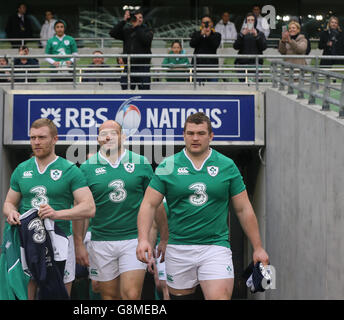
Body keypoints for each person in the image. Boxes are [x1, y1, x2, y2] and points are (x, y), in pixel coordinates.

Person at [136, 112, 269, 300]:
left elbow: (243, 209)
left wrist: (258, 247)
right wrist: (143, 239)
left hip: (215, 247)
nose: (195, 138)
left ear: (211, 136)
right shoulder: (168, 165)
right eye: (190, 133)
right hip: (179, 248)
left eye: (200, 133)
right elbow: (149, 204)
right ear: (183, 135)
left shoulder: (227, 166)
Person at [3, 118, 96, 299]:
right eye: (33, 138)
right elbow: (8, 203)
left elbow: (89, 207)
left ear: (55, 139)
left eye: (42, 137)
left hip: (61, 238)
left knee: (60, 292)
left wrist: (57, 214)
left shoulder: (70, 170)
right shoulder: (22, 169)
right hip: (29, 239)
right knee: (28, 287)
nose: (36, 142)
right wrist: (11, 212)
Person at [74, 120, 167, 300]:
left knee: (131, 295)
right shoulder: (86, 168)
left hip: (133, 239)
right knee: (109, 296)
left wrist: (164, 237)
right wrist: (79, 244)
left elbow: (156, 204)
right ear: (98, 139)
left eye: (113, 133)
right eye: (103, 134)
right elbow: (81, 210)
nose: (108, 137)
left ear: (123, 137)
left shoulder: (141, 163)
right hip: (101, 240)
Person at [109, 9, 154, 90]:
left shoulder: (148, 30)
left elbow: (146, 40)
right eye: (136, 18)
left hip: (143, 67)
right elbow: (112, 33)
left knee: (144, 90)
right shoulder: (128, 31)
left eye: (140, 17)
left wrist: (137, 27)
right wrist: (124, 20)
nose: (138, 20)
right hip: (129, 66)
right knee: (125, 87)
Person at [233, 13, 267, 82]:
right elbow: (236, 46)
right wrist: (242, 35)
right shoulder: (241, 33)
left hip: (256, 64)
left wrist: (256, 36)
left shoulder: (260, 34)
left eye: (252, 20)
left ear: (255, 22)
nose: (250, 22)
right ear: (246, 22)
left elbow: (263, 47)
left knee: (257, 86)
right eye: (248, 20)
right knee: (243, 87)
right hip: (242, 64)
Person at [189, 15, 221, 82]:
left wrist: (208, 35)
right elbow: (192, 44)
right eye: (204, 22)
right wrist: (201, 35)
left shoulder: (216, 35)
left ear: (212, 23)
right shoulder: (196, 34)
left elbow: (215, 45)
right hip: (198, 66)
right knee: (198, 89)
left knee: (213, 89)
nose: (206, 24)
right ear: (201, 24)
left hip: (212, 67)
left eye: (208, 22)